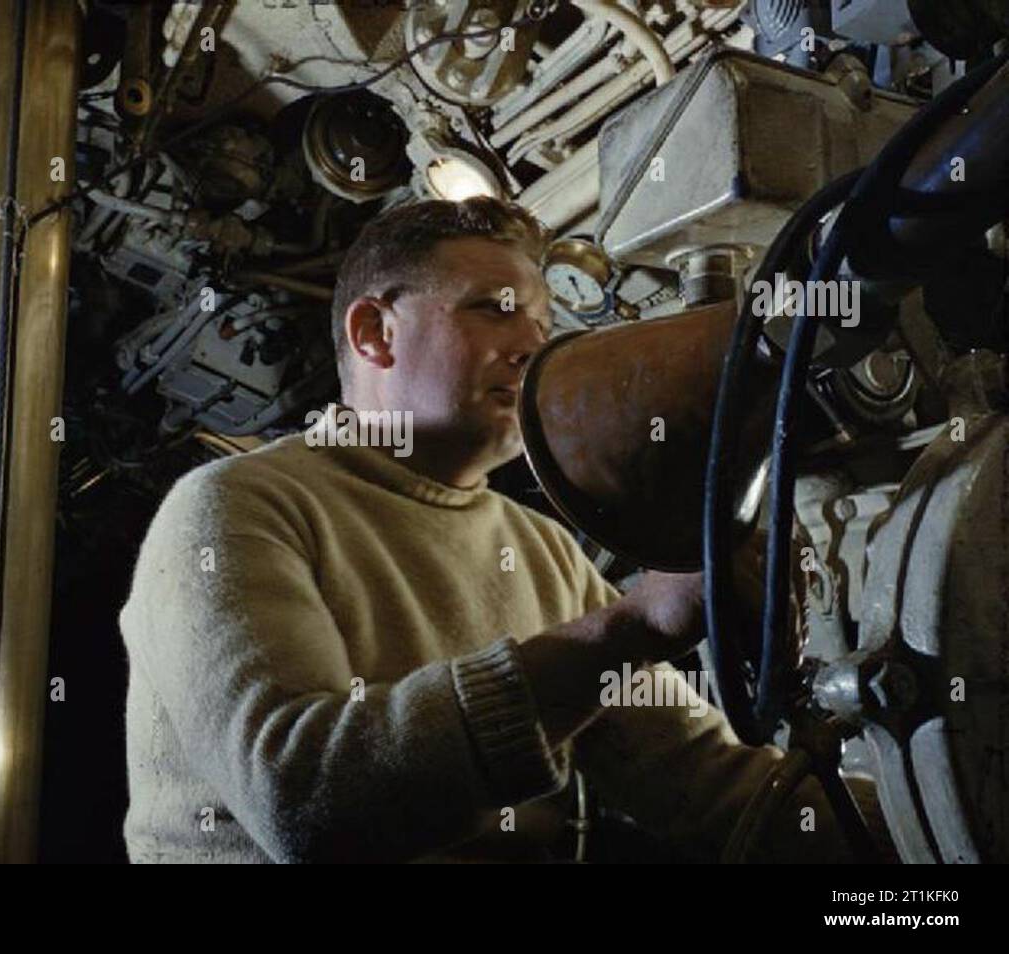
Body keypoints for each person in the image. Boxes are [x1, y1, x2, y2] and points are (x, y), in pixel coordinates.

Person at [118, 196, 867, 863]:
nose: (532, 345)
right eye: (493, 309)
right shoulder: (233, 508)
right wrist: (632, 625)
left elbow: (713, 784)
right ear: (375, 331)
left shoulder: (538, 549)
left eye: (543, 323)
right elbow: (308, 804)